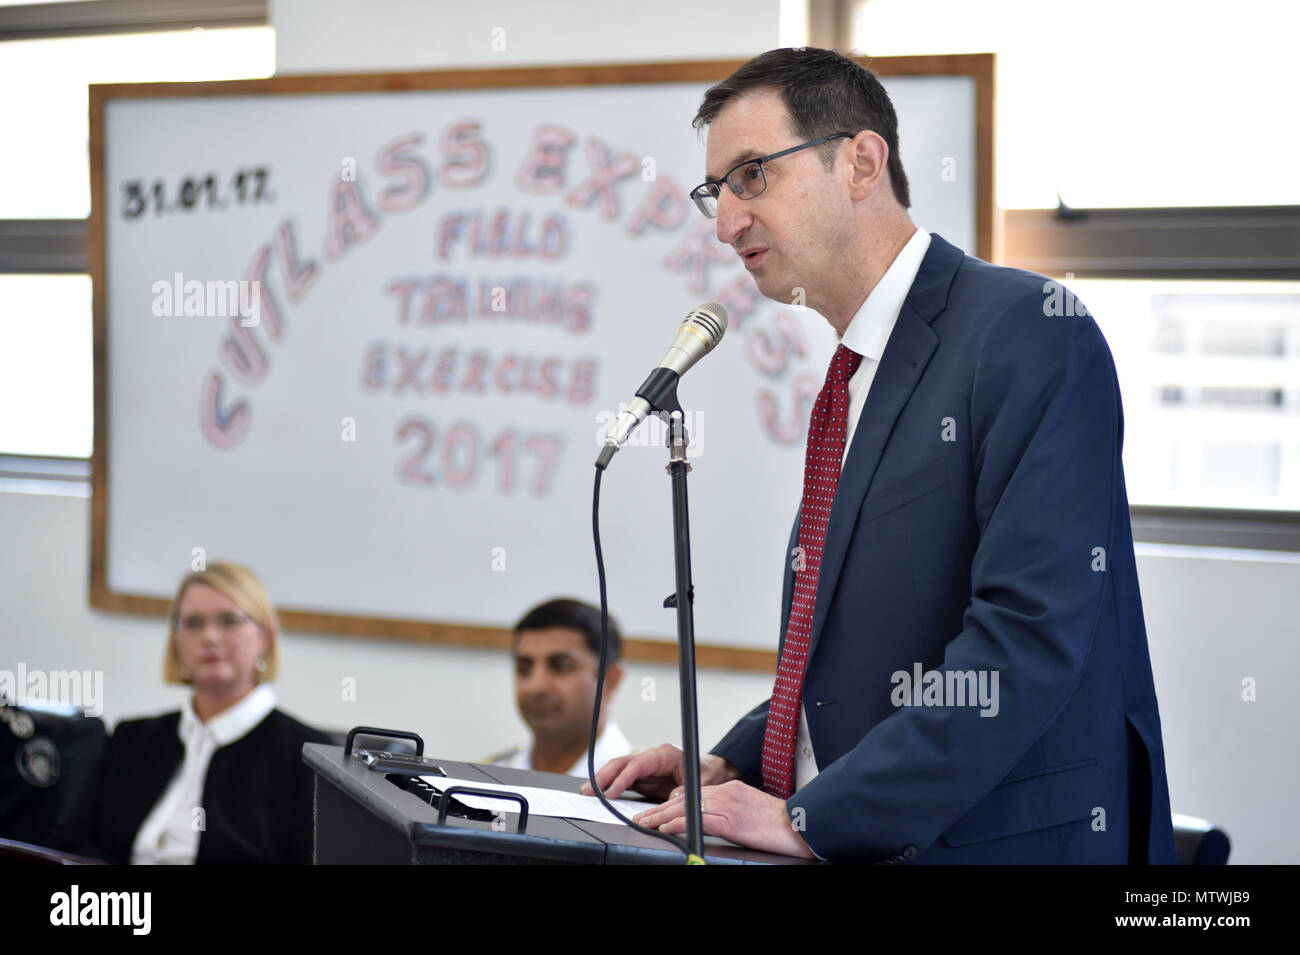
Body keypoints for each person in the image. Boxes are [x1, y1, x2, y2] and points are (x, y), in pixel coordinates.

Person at [586, 47, 1176, 864]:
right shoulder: (853, 371)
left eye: (752, 175)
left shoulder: (1030, 330)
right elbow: (856, 656)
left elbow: (1027, 638)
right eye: (714, 192)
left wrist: (807, 817)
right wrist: (734, 762)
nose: (726, 223)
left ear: (862, 162)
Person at [51, 562, 330, 864]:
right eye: (194, 623)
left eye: (228, 620)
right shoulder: (129, 738)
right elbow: (70, 844)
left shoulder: (311, 758)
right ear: (177, 641)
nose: (210, 636)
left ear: (264, 637)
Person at [485, 598, 633, 776]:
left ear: (610, 681)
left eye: (561, 666)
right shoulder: (484, 779)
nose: (536, 686)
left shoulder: (653, 789)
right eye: (524, 668)